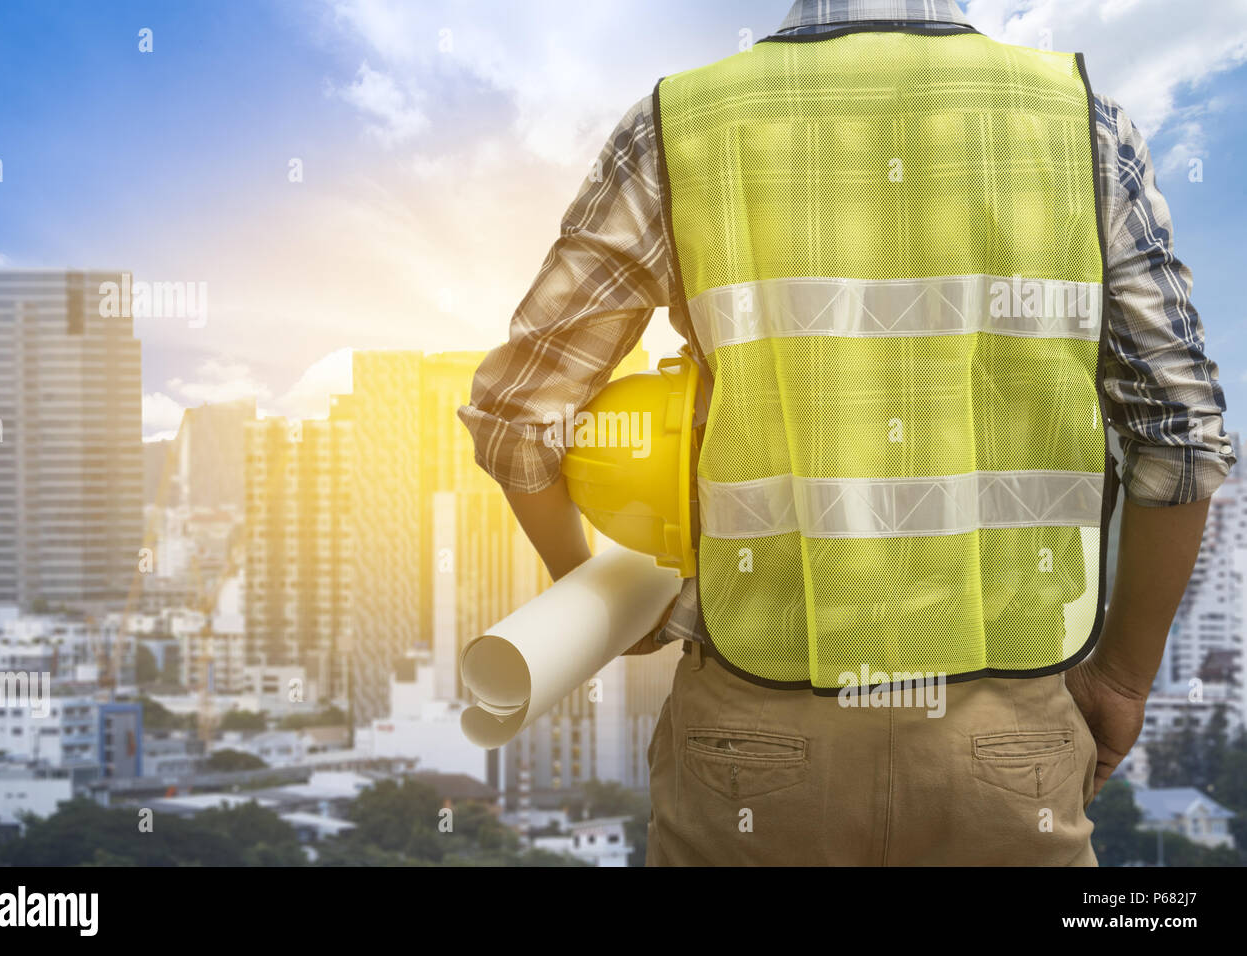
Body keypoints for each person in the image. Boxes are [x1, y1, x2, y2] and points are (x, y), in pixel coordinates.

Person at [457, 0, 1234, 865]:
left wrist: (604, 603)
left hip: (751, 750)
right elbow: (1183, 435)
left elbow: (516, 415)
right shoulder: (1083, 124)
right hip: (1008, 746)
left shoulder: (679, 124)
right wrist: (1122, 682)